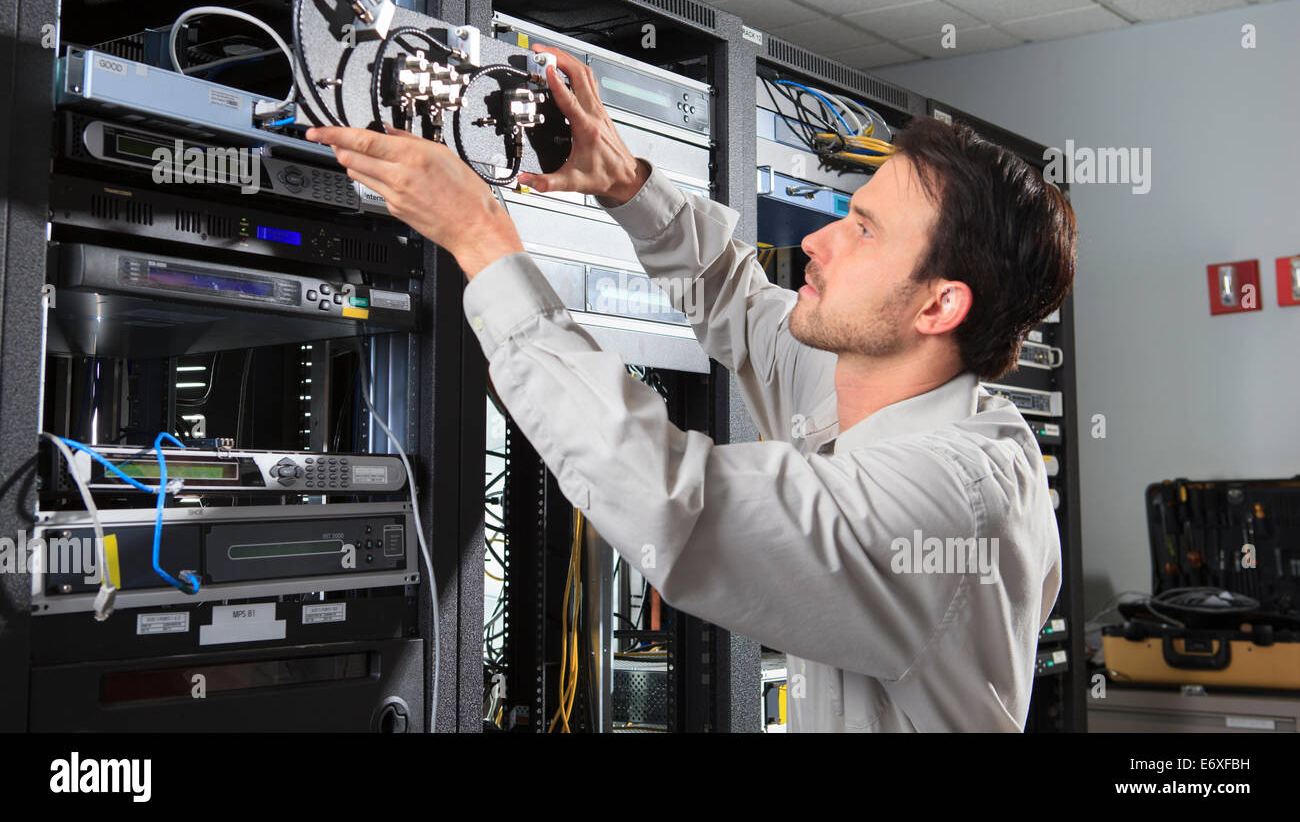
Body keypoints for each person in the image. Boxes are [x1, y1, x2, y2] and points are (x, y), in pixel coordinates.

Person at [305, 44, 1077, 732]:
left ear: (939, 305)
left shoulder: (948, 502)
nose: (817, 237)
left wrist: (483, 241)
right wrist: (621, 181)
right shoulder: (886, 383)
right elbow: (736, 300)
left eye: (865, 229)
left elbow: (675, 502)